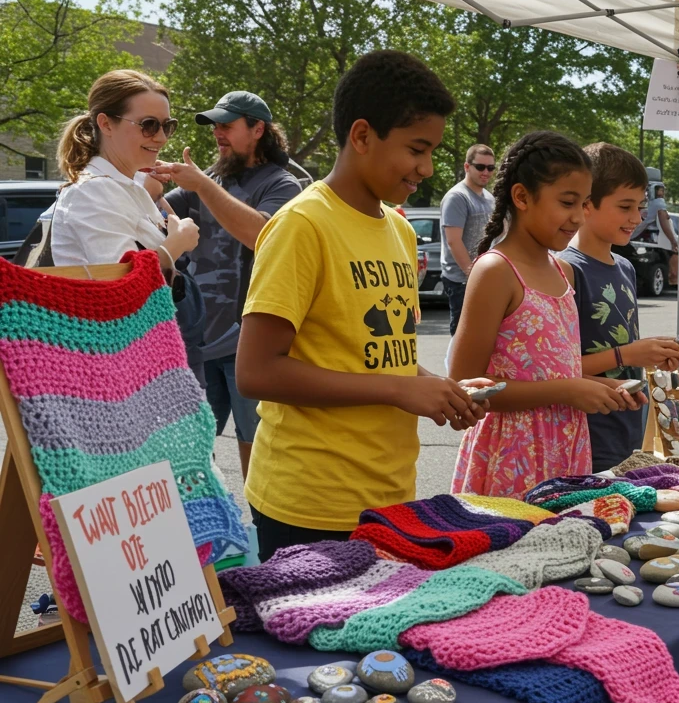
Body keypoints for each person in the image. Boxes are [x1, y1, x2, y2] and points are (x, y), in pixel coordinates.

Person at [235, 50, 484, 561]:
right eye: (417, 149)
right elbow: (256, 372)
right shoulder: (302, 224)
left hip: (388, 498)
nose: (427, 168)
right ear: (363, 136)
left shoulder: (396, 228)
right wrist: (399, 390)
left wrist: (431, 387)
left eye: (433, 150)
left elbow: (371, 352)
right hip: (309, 505)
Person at [450, 131, 641, 497]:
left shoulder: (564, 271)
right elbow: (465, 384)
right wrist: (569, 391)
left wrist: (606, 388)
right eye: (567, 203)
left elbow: (560, 372)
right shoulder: (496, 270)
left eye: (584, 203)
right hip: (511, 457)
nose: (577, 217)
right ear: (522, 196)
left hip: (567, 450)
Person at [149, 91, 302, 483]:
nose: (217, 133)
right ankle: (205, 534)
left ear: (258, 129)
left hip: (249, 344)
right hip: (197, 339)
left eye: (226, 125)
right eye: (214, 125)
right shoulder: (210, 180)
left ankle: (260, 533)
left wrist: (201, 185)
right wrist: (145, 178)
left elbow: (262, 234)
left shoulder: (283, 185)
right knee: (191, 449)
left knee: (257, 446)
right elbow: (158, 215)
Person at [560, 143, 679, 472]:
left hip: (629, 426)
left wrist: (654, 352)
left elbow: (625, 344)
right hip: (587, 434)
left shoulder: (625, 266)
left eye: (641, 206)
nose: (637, 217)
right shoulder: (566, 270)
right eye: (625, 207)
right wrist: (629, 355)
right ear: (587, 204)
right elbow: (560, 371)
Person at [51, 69, 199, 269]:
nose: (162, 137)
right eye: (149, 125)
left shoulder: (127, 187)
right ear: (106, 124)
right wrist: (177, 242)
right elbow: (122, 283)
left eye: (167, 126)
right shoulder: (92, 191)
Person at [440, 143, 497, 335]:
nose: (486, 172)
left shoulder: (489, 198)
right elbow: (453, 241)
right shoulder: (457, 197)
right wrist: (472, 275)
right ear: (467, 167)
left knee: (485, 336)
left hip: (484, 278)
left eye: (490, 168)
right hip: (462, 281)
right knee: (463, 337)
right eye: (480, 167)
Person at [646, 182, 679, 285]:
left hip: (665, 241)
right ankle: (672, 281)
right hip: (666, 242)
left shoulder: (652, 204)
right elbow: (664, 224)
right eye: (660, 190)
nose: (663, 192)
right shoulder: (659, 204)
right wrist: (673, 241)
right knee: (673, 259)